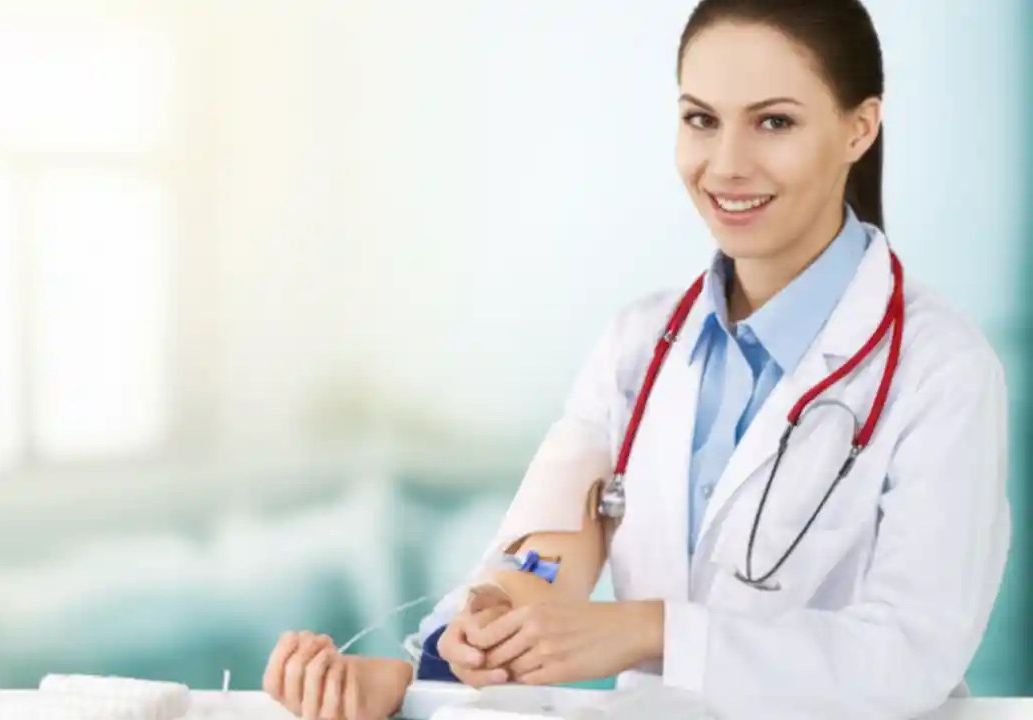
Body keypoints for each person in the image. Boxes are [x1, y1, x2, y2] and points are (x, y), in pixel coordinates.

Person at [261, 1, 1010, 717]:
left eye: (773, 122)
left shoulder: (940, 368)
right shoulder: (639, 347)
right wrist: (440, 662)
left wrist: (654, 630)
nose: (726, 164)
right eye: (701, 120)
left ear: (860, 128)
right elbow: (538, 567)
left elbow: (913, 653)